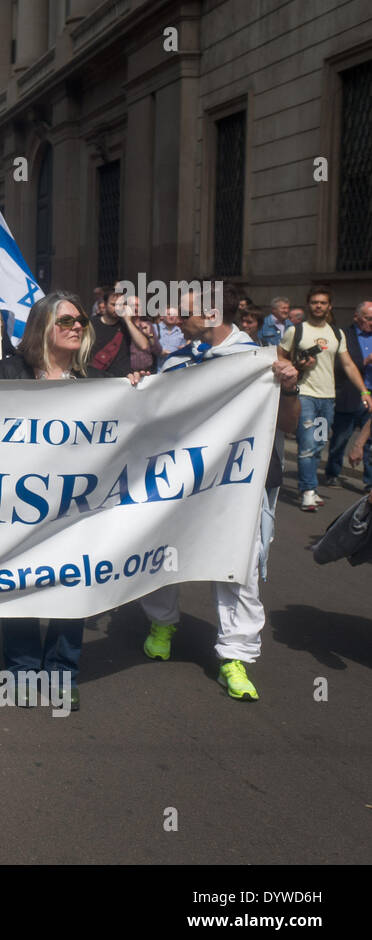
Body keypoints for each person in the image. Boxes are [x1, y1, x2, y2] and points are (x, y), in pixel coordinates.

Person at [139, 282, 302, 701]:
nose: (175, 314)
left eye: (186, 309)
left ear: (211, 314)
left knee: (238, 564)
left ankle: (236, 655)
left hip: (240, 483)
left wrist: (289, 386)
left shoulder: (260, 361)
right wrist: (140, 387)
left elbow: (288, 425)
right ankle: (162, 622)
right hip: (179, 480)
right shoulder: (176, 360)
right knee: (161, 551)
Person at [0, 291, 95, 710]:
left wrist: (135, 391)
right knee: (20, 584)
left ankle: (63, 673)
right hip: (18, 503)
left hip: (77, 507)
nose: (75, 328)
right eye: (65, 321)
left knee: (75, 584)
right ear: (42, 327)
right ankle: (22, 669)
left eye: (80, 321)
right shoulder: (8, 372)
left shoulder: (96, 380)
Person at [280, 285, 372, 511]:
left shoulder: (336, 333)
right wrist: (296, 366)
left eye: (322, 302)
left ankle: (310, 487)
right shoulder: (296, 331)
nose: (318, 306)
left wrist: (364, 391)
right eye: (314, 302)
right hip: (305, 395)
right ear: (308, 305)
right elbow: (280, 356)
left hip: (327, 399)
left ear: (329, 306)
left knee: (319, 443)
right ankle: (308, 490)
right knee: (308, 443)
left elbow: (349, 364)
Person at [325, 300, 372, 490]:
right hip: (350, 395)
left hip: (371, 394)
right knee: (340, 438)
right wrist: (364, 362)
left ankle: (369, 481)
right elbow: (338, 365)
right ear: (356, 317)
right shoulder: (344, 334)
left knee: (369, 442)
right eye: (368, 319)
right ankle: (332, 472)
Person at [89, 287, 151, 378]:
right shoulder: (92, 323)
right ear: (105, 305)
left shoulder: (127, 325)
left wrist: (128, 320)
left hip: (121, 378)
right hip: (96, 377)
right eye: (113, 305)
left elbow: (144, 346)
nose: (117, 308)